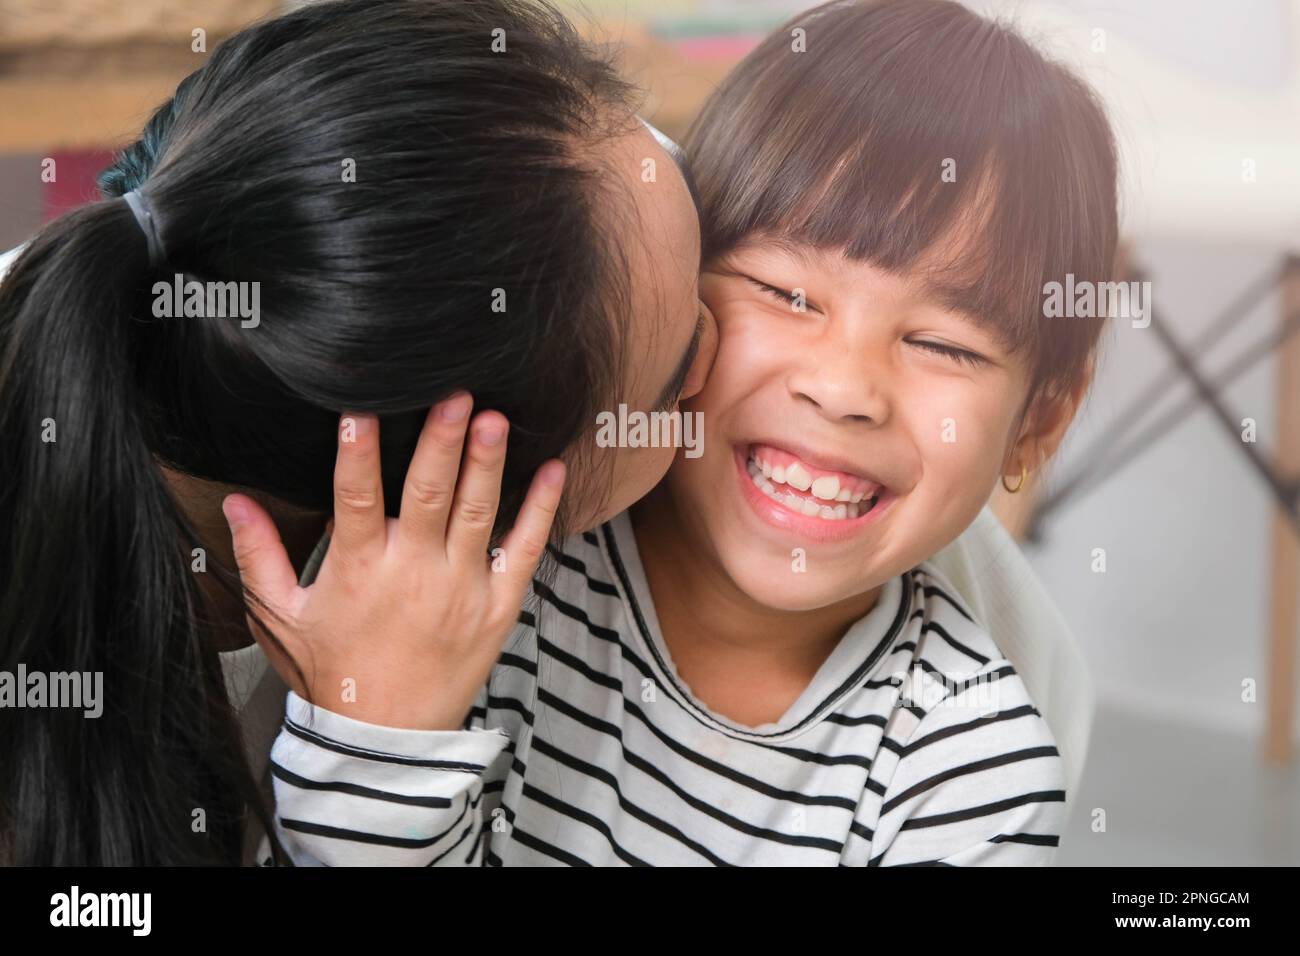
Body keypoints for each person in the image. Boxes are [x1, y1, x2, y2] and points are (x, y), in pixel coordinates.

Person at [244, 0, 1116, 865]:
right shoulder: (481, 577)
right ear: (677, 295)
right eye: (787, 295)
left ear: (1039, 420)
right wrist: (380, 735)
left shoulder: (969, 773)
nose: (846, 389)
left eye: (941, 344)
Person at [0, 0, 711, 865]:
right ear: (453, 489)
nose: (726, 352)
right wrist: (379, 772)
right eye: (677, 385)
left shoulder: (153, 264)